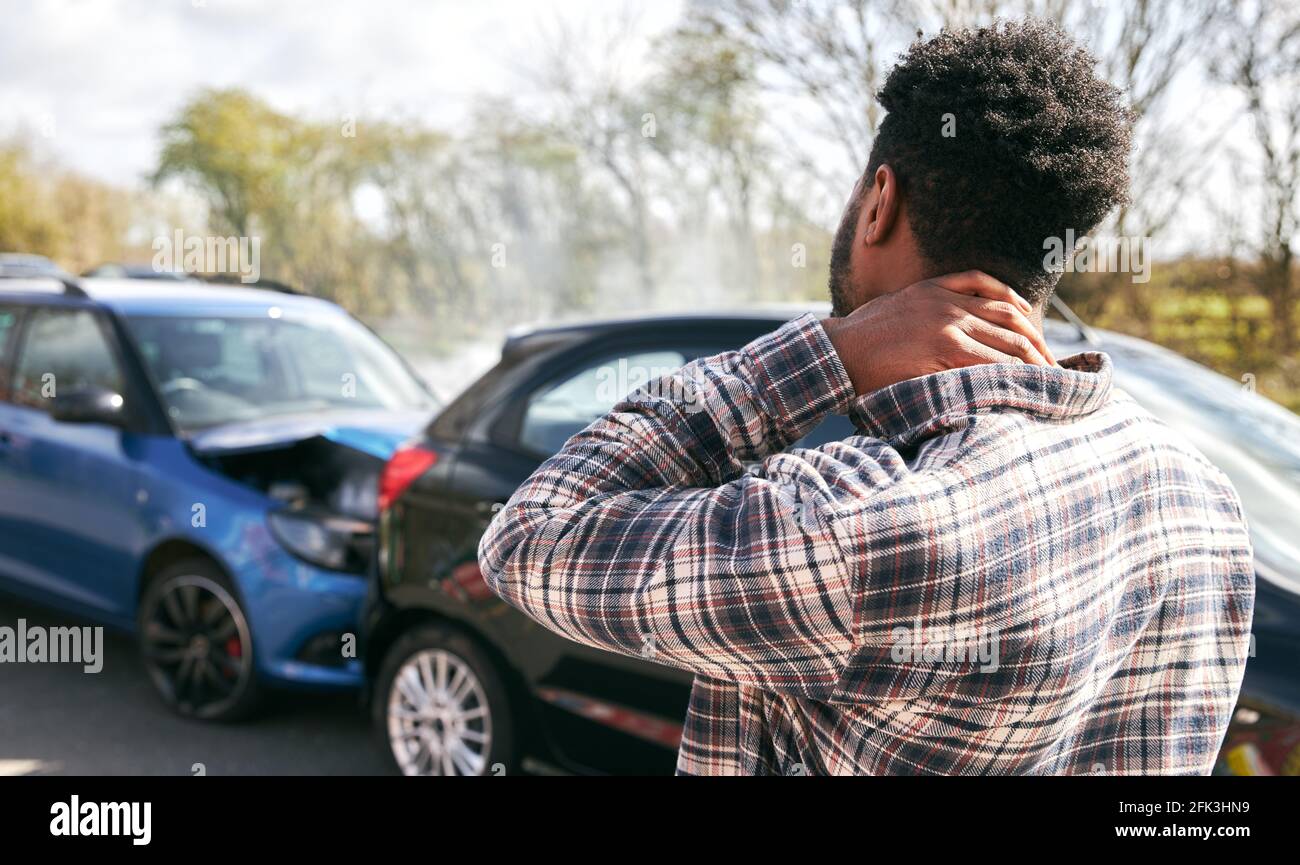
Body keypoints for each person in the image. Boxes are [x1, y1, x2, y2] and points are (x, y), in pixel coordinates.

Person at [478, 19, 1255, 775]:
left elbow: (529, 537)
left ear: (879, 200)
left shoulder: (851, 523)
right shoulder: (1200, 497)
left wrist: (830, 352)